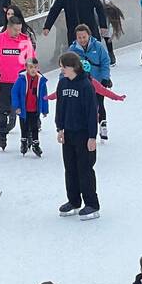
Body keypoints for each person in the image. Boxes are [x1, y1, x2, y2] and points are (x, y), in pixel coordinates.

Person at [52, 53, 100, 220]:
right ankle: (73, 201)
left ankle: (92, 204)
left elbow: (92, 112)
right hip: (68, 133)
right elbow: (60, 107)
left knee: (85, 169)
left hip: (84, 134)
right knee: (70, 169)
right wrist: (60, 128)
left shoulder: (86, 85)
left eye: (63, 67)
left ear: (72, 67)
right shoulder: (62, 83)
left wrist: (92, 137)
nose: (62, 70)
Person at [0, 16, 34, 147]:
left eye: (19, 30)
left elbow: (31, 59)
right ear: (8, 27)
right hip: (5, 82)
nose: (18, 33)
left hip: (21, 81)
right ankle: (1, 133)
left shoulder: (25, 40)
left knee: (26, 109)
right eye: (15, 30)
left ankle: (29, 135)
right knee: (4, 109)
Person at [68, 24, 113, 139]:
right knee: (84, 106)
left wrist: (105, 77)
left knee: (99, 103)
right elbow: (66, 66)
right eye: (80, 37)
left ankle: (102, 124)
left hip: (97, 81)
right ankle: (86, 127)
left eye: (84, 37)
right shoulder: (73, 50)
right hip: (81, 84)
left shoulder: (97, 46)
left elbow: (105, 62)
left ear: (89, 36)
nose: (82, 40)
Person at [42, 0, 107, 46]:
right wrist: (47, 26)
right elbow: (54, 11)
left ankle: (110, 52)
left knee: (93, 52)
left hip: (90, 30)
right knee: (76, 55)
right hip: (73, 33)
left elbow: (99, 8)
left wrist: (103, 25)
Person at [10, 56, 48, 157]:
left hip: (35, 109)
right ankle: (24, 142)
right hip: (23, 110)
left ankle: (36, 144)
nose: (33, 70)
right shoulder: (21, 79)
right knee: (24, 127)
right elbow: (14, 92)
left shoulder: (41, 81)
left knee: (35, 127)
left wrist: (44, 109)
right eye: (31, 67)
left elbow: (44, 96)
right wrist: (17, 106)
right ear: (26, 68)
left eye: (35, 67)